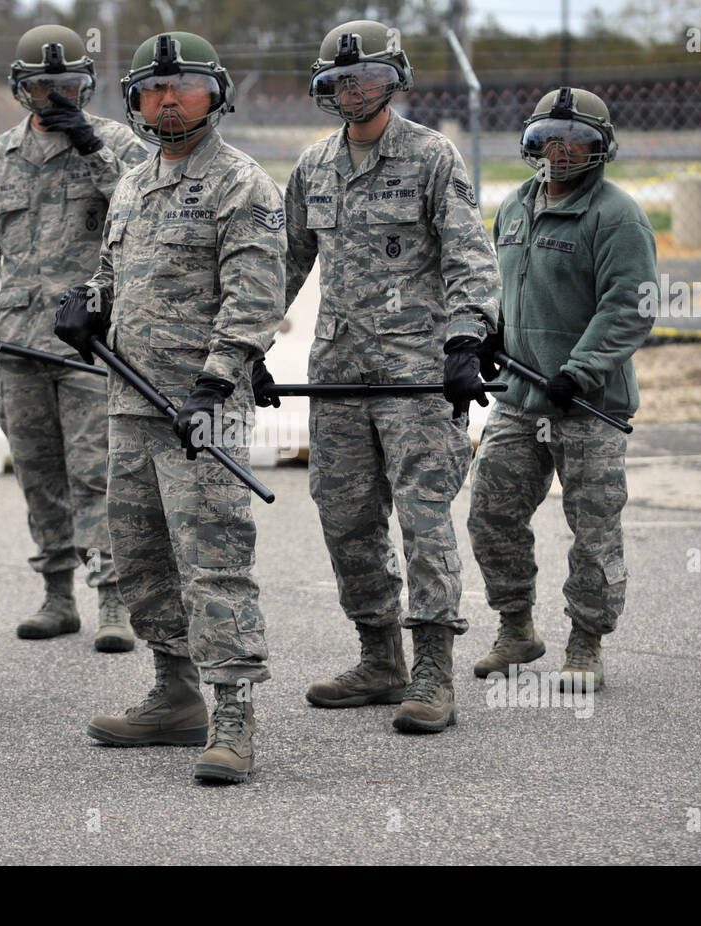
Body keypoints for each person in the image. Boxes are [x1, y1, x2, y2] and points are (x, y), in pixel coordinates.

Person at [54, 32, 286, 783]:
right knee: (140, 555)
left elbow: (254, 300)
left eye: (182, 85)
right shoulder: (134, 181)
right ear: (136, 102)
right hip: (130, 400)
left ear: (215, 94)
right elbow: (110, 270)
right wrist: (88, 306)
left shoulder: (242, 184)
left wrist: (217, 384)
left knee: (214, 559)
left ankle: (232, 716)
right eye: (153, 88)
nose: (167, 98)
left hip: (201, 407)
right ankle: (175, 691)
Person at [262, 20, 498, 734]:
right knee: (346, 518)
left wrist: (467, 336)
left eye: (364, 77)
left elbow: (469, 254)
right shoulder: (312, 168)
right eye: (338, 81)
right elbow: (281, 264)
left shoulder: (432, 157)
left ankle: (432, 670)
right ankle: (378, 656)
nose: (351, 91)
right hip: (337, 373)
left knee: (424, 519)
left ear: (394, 80)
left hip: (417, 373)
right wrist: (242, 344)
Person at [467, 87, 658, 690]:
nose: (561, 152)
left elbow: (630, 306)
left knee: (593, 527)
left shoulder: (617, 216)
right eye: (548, 139)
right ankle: (516, 628)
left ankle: (586, 643)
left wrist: (579, 369)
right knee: (490, 513)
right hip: (520, 402)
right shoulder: (516, 206)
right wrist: (488, 338)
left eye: (576, 142)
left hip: (585, 404)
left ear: (600, 151)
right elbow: (499, 289)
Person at [0, 25, 148, 653]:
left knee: (97, 469)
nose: (53, 96)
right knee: (38, 471)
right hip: (17, 341)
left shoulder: (117, 143)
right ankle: (57, 594)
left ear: (86, 85)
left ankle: (114, 599)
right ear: (20, 89)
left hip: (88, 341)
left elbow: (137, 208)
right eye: (40, 86)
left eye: (66, 85)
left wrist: (90, 143)